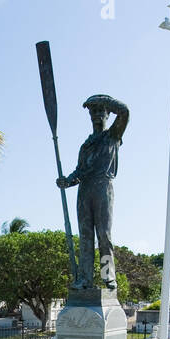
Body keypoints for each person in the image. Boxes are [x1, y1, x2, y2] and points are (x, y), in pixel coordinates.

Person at [57, 94, 128, 290]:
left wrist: (106, 101)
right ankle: (84, 279)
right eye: (93, 111)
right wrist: (67, 181)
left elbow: (125, 112)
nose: (96, 114)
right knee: (85, 236)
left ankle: (108, 276)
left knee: (104, 234)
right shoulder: (85, 145)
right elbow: (80, 171)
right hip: (85, 189)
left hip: (103, 187)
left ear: (107, 113)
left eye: (100, 111)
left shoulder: (113, 135)